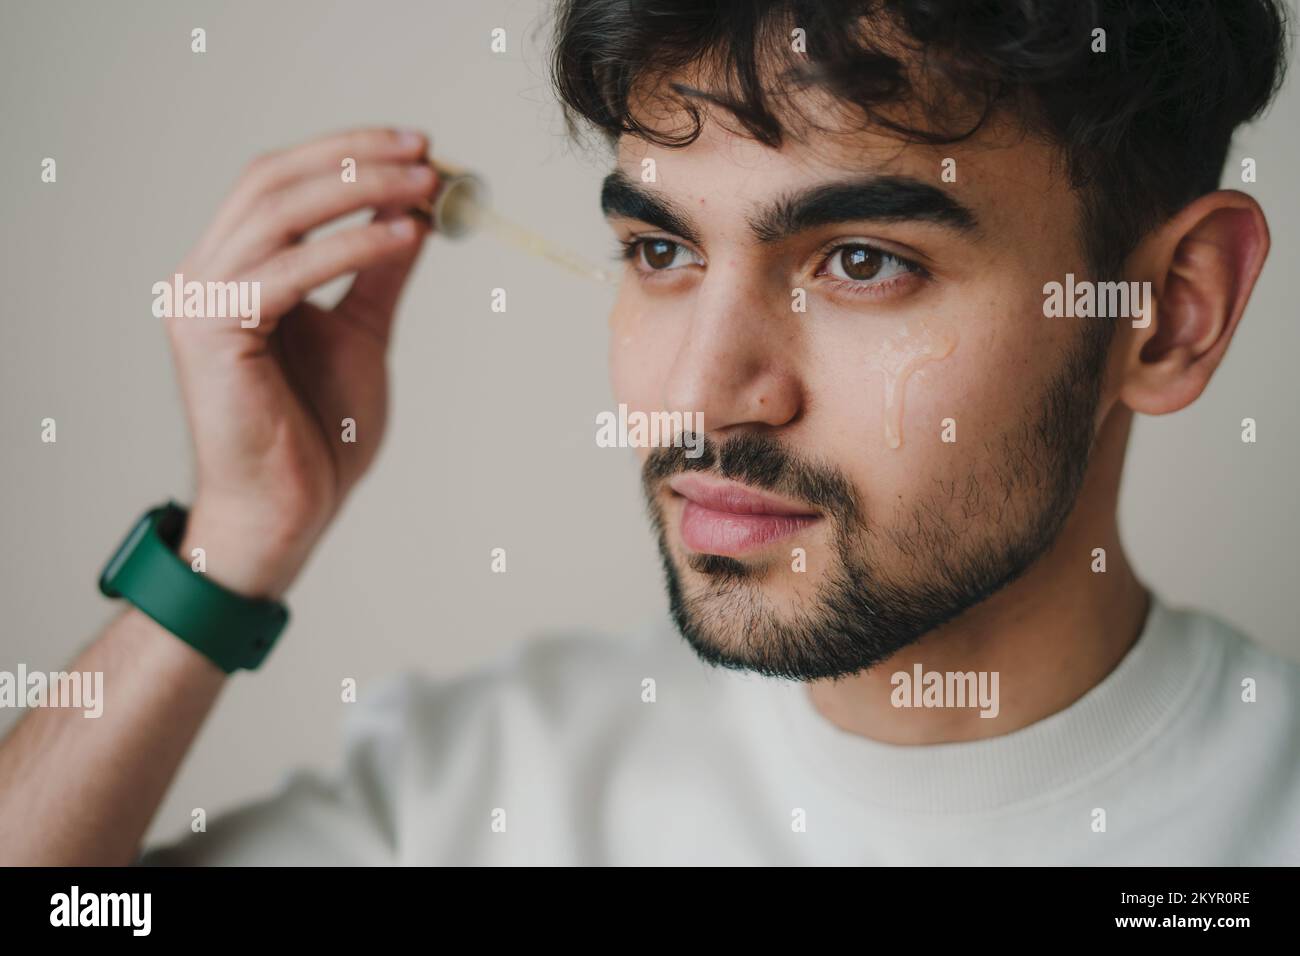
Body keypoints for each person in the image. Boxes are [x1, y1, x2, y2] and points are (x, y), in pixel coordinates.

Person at [2, 0, 1297, 866]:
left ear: (1169, 315)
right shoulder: (477, 796)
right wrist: (227, 552)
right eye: (662, 248)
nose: (697, 393)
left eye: (860, 260)